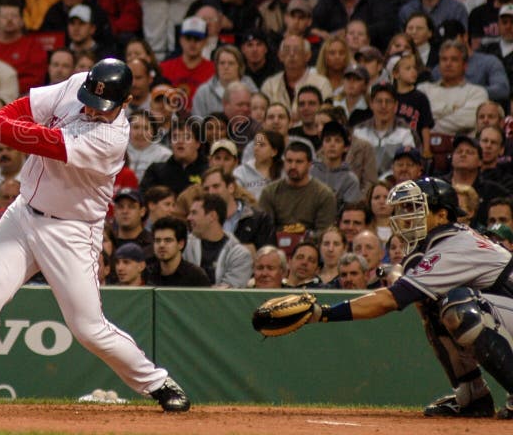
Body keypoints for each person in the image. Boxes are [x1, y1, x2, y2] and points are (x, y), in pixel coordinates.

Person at [0, 58, 191, 412]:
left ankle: (157, 382)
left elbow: (45, 141)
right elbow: (27, 109)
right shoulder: (78, 83)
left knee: (88, 328)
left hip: (71, 230)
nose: (91, 109)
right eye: (89, 99)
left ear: (126, 103)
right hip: (24, 213)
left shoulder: (110, 138)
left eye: (103, 106)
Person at [285, 177, 513, 419]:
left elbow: (389, 300)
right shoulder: (441, 241)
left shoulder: (454, 245)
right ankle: (472, 396)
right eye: (405, 209)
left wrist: (324, 313)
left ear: (442, 215)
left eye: (415, 209)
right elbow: (404, 279)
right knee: (432, 303)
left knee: (459, 307)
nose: (406, 217)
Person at [184, 193, 252, 288]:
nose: (189, 218)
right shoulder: (184, 246)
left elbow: (228, 293)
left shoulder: (240, 255)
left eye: (194, 213)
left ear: (212, 216)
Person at [146, 216, 209, 287]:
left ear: (181, 244)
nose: (161, 245)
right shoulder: (147, 274)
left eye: (168, 240)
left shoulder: (196, 276)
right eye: (157, 240)